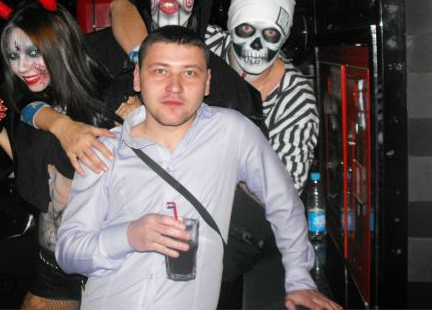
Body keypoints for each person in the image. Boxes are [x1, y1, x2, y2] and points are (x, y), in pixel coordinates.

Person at [55, 26, 340, 310]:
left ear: (207, 83)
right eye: (160, 71)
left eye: (189, 73)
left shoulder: (232, 132)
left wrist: (300, 280)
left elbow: (284, 203)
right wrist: (129, 236)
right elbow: (68, 252)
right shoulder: (106, 149)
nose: (174, 87)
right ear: (138, 78)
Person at [24, 0, 264, 177]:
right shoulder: (100, 49)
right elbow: (23, 99)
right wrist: (62, 127)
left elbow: (252, 165)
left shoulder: (220, 79)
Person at [0, 0, 128, 310]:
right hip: (51, 263)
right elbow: (34, 172)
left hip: (104, 264)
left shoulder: (106, 99)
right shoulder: (33, 105)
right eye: (13, 56)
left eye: (34, 52)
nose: (23, 67)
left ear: (58, 45)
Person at [206, 0, 320, 310]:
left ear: (283, 36)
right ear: (230, 28)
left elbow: (279, 195)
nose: (256, 45)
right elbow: (130, 10)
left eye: (270, 33)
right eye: (246, 29)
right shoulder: (206, 44)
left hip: (250, 216)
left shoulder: (296, 100)